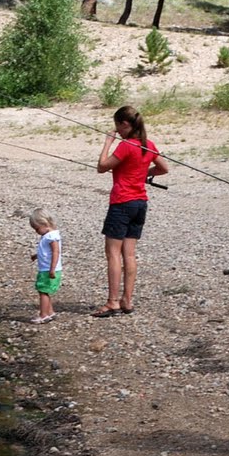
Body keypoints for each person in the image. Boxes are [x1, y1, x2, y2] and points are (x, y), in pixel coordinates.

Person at [92, 106, 169, 316]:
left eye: (117, 126)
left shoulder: (126, 146)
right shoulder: (148, 145)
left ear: (125, 124)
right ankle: (127, 300)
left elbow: (102, 166)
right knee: (130, 254)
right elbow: (163, 168)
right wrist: (143, 174)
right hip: (140, 204)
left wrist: (108, 142)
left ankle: (112, 302)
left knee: (113, 254)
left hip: (122, 203)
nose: (116, 130)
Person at [29, 207, 62, 324]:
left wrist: (52, 269)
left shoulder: (51, 237)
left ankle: (43, 315)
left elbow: (55, 252)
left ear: (44, 223)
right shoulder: (47, 236)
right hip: (45, 268)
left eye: (37, 228)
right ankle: (50, 311)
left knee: (43, 291)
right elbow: (45, 252)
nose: (36, 231)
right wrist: (37, 255)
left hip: (48, 270)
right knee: (44, 290)